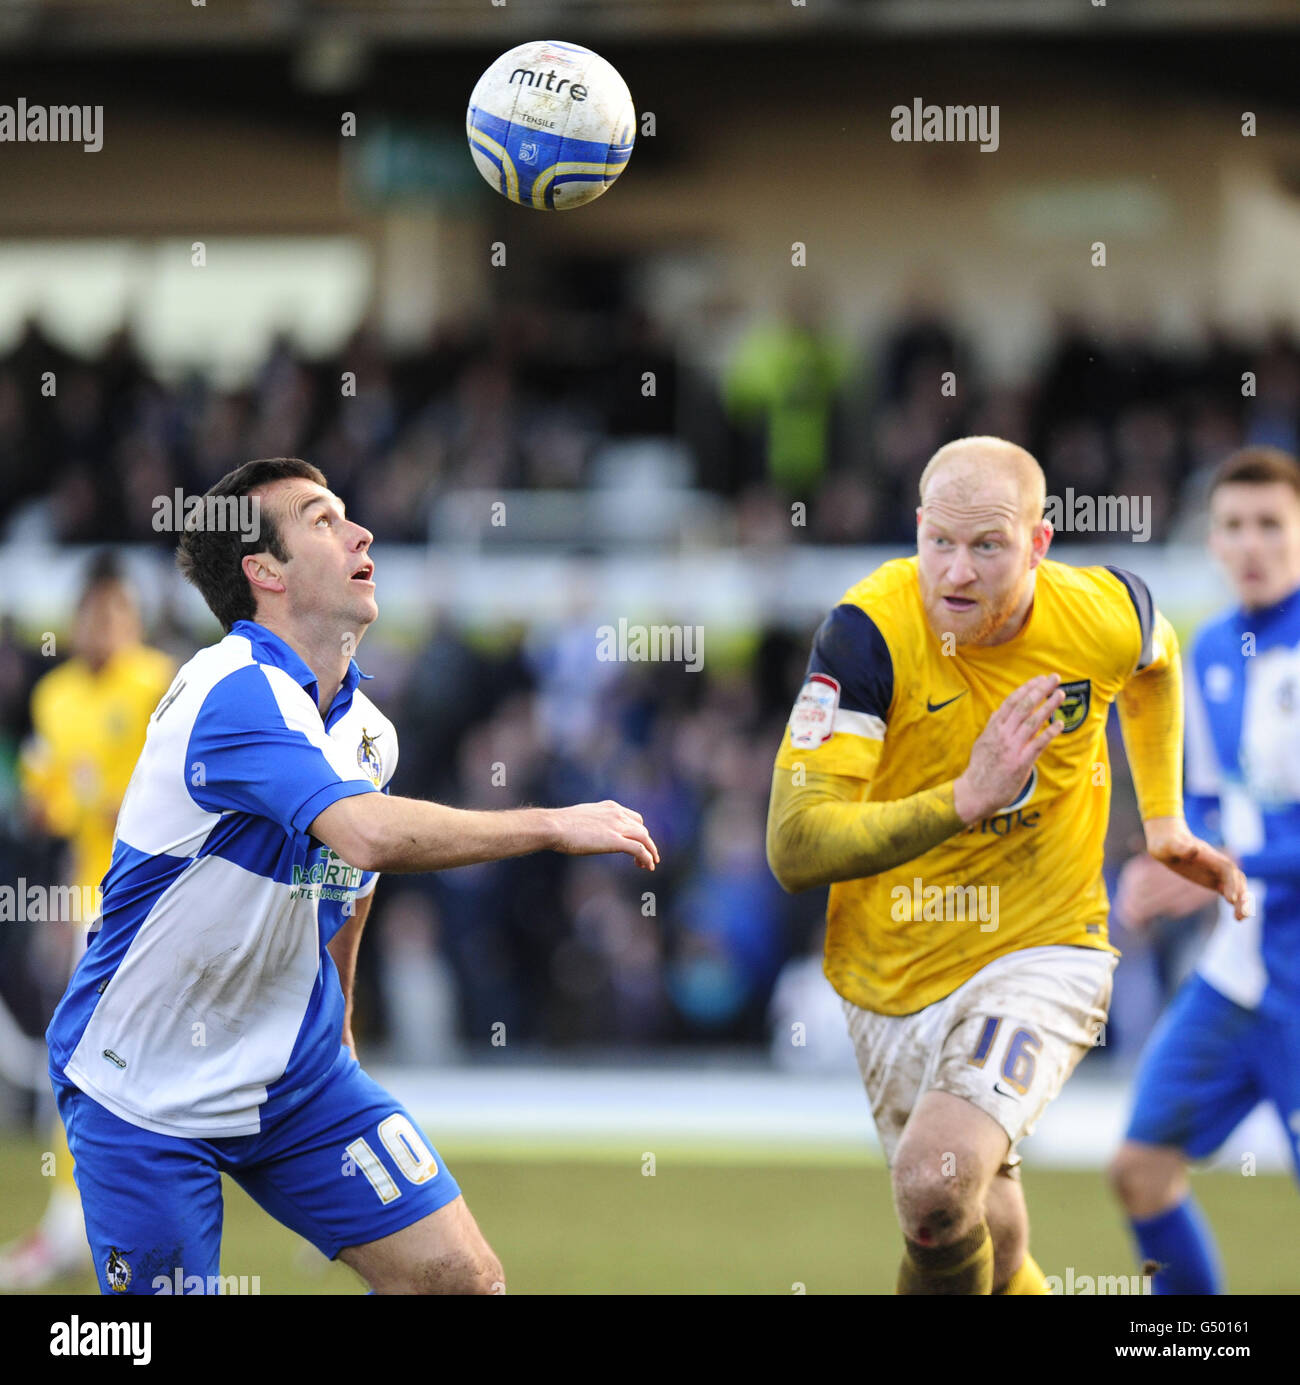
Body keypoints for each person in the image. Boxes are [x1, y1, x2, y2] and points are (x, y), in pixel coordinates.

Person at [45, 457, 658, 1296]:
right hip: (140, 1089)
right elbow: (366, 837)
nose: (362, 533)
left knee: (461, 1281)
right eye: (322, 520)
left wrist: (340, 1030)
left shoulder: (370, 730)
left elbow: (348, 893)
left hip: (293, 1080)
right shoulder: (232, 691)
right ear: (265, 573)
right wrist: (552, 824)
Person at [766, 436, 1248, 1295]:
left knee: (933, 1179)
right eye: (939, 542)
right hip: (891, 967)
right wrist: (963, 797)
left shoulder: (1096, 614)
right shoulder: (867, 636)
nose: (956, 571)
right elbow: (794, 846)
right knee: (973, 1225)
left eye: (987, 545)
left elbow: (1156, 656)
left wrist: (1165, 820)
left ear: (1038, 544)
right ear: (917, 528)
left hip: (1044, 945)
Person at [1109, 446, 1300, 1293]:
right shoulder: (1210, 648)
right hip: (1239, 971)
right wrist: (1179, 856)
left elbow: (1242, 841)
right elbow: (1214, 801)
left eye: (1272, 524)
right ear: (1212, 540)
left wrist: (1223, 865)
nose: (1252, 543)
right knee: (1139, 1167)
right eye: (1234, 525)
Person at [0, 553, 173, 1289]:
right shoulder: (56, 695)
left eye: (115, 612)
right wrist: (73, 803)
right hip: (89, 902)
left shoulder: (162, 684)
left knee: (146, 1067)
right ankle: (75, 1223)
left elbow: (183, 787)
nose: (103, 626)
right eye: (93, 613)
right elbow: (39, 800)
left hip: (164, 900)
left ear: (135, 619)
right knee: (84, 1065)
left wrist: (113, 803)